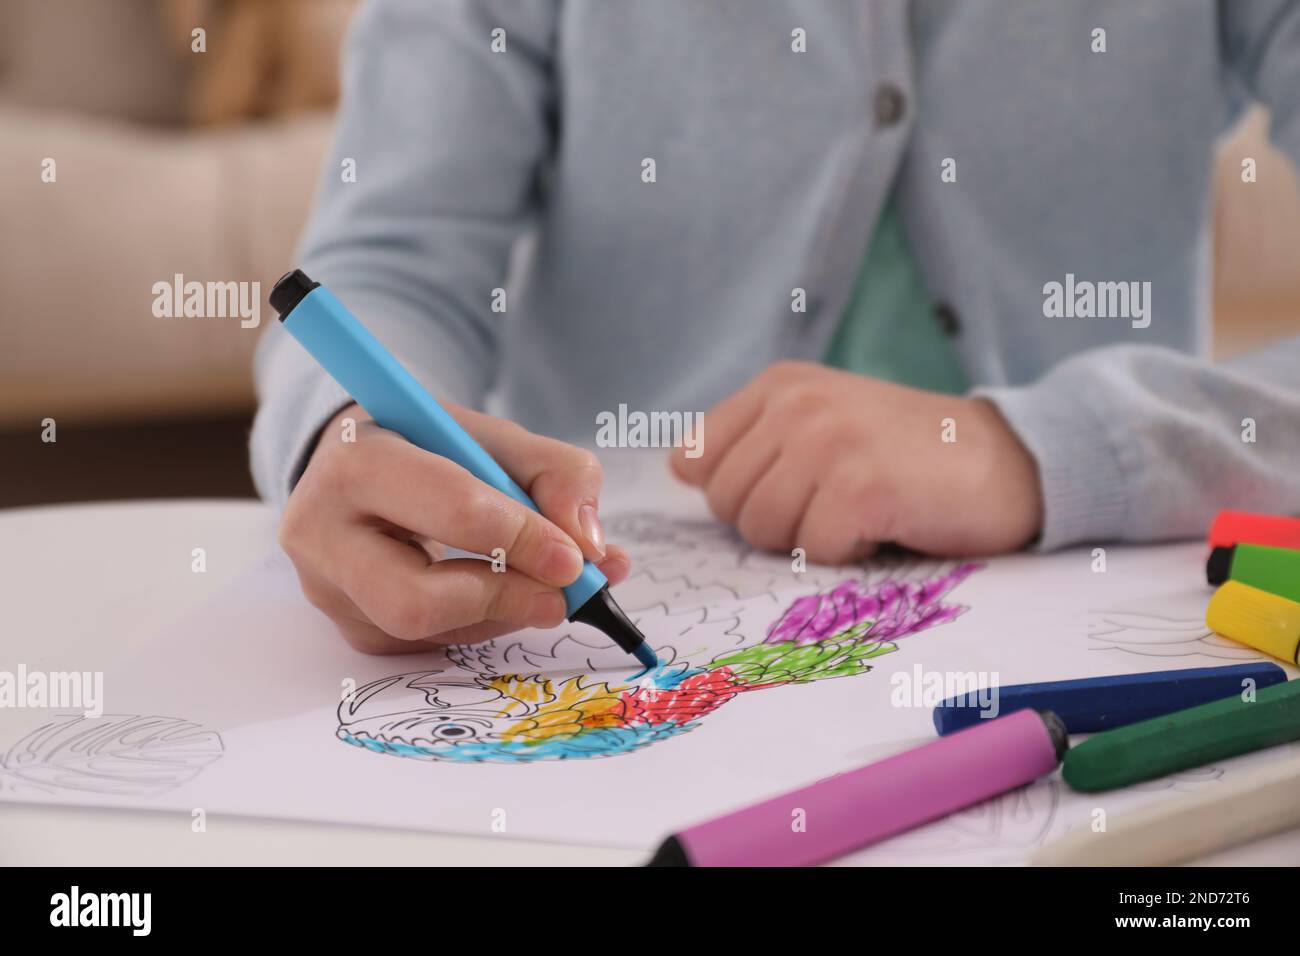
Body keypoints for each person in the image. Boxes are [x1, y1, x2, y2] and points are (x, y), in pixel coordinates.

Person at [251, 1, 1300, 655]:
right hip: (597, 570)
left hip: (1107, 605)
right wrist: (346, 432)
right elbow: (386, 261)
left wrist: (1054, 449)